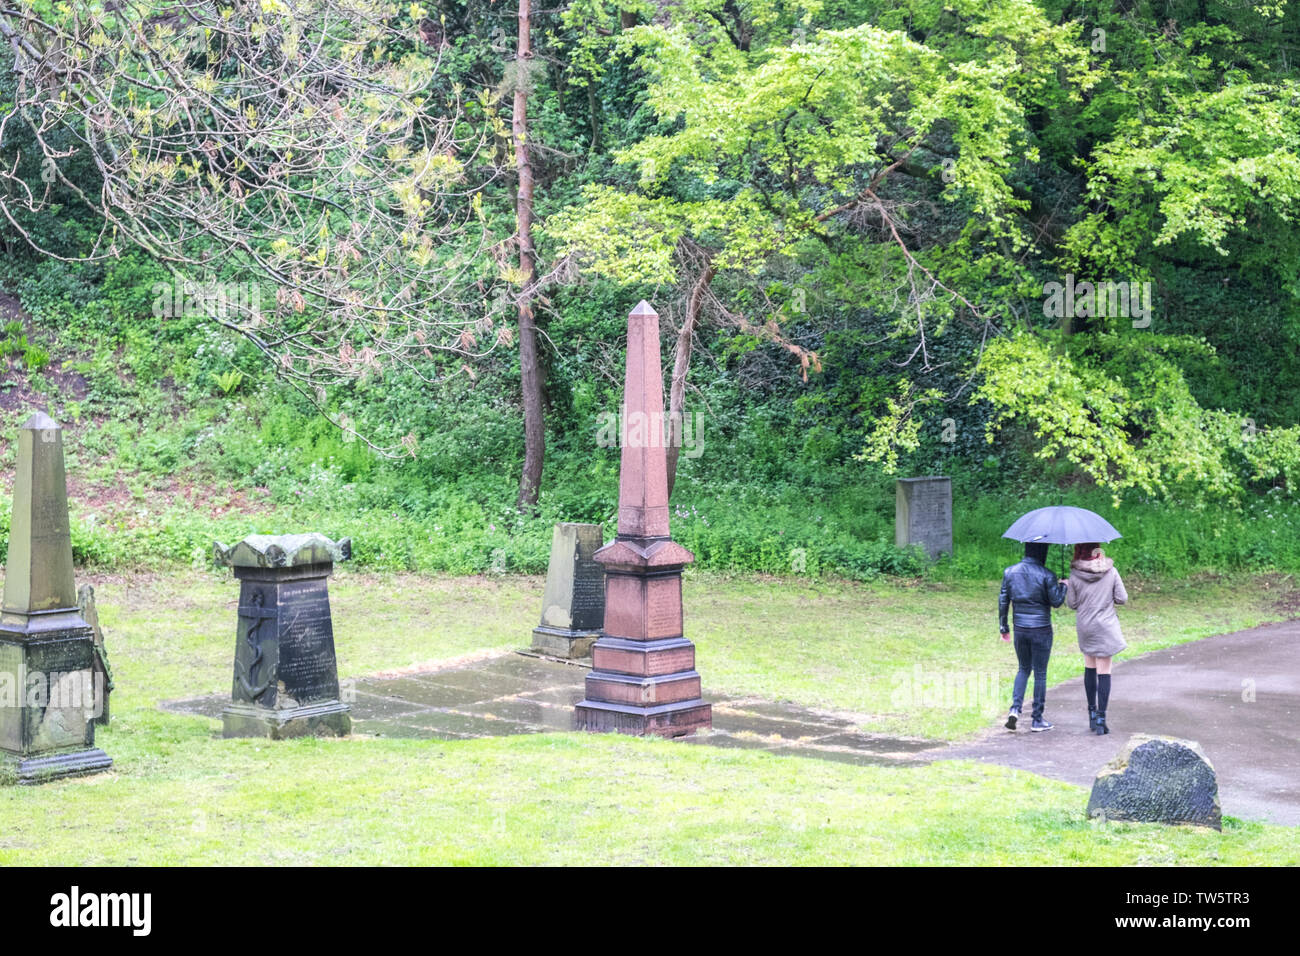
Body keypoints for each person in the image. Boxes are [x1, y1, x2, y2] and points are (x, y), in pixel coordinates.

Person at [999, 541, 1068, 732]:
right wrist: (1063, 586)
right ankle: (1037, 719)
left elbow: (1003, 599)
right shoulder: (1047, 575)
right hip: (1041, 628)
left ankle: (1015, 709)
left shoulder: (1010, 572)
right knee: (1040, 674)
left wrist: (1003, 626)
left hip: (1020, 628)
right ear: (1043, 552)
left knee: (1023, 669)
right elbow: (1056, 602)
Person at [1065, 542, 1128, 735]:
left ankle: (1091, 714)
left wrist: (1068, 586)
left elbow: (1072, 604)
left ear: (1079, 551)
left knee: (1090, 668)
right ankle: (1102, 719)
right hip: (1106, 627)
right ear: (1097, 551)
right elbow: (1122, 598)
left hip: (1086, 627)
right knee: (1104, 672)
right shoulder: (1111, 572)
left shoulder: (1075, 575)